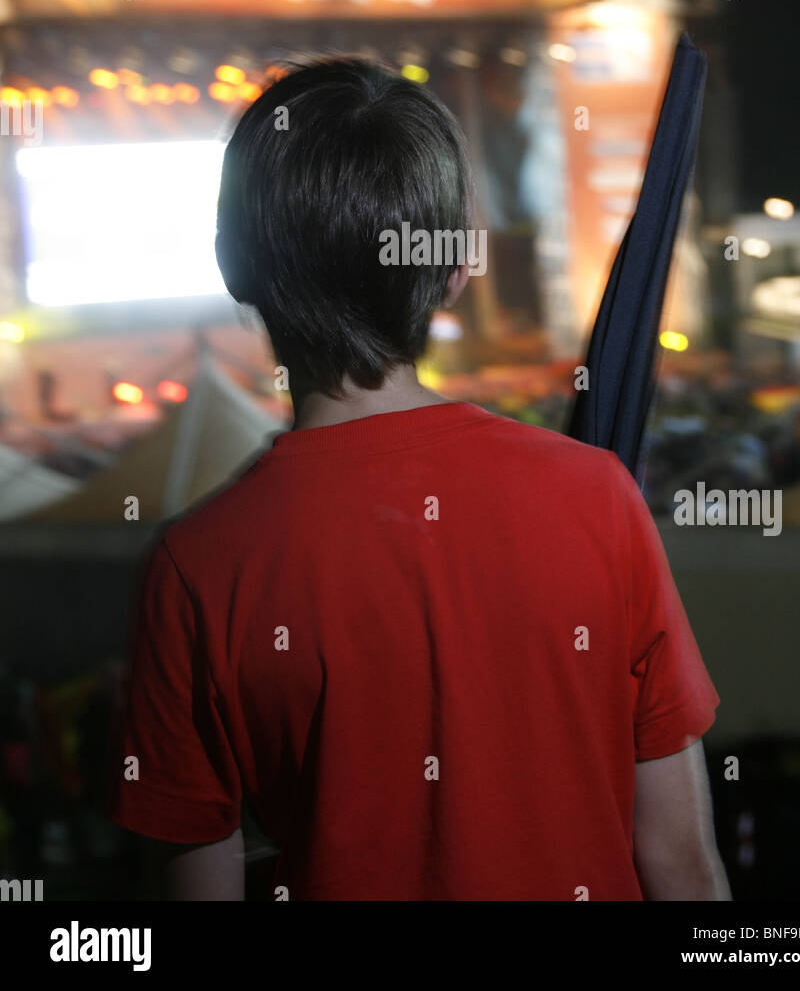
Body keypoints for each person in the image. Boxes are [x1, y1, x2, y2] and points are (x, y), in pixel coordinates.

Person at [106, 55, 729, 901]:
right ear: (457, 268)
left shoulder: (197, 568)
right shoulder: (597, 499)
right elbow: (681, 866)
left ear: (232, 265)